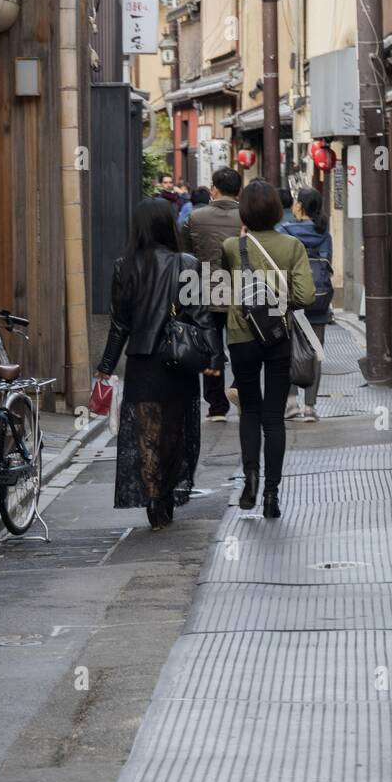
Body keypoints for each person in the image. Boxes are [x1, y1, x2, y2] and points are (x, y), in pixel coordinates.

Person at [95, 198, 220, 530]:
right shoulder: (188, 264)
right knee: (175, 433)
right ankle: (165, 493)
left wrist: (106, 365)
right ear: (168, 226)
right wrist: (213, 357)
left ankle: (153, 497)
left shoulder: (124, 267)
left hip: (141, 362)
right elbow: (202, 316)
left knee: (147, 434)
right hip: (179, 360)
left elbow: (119, 323)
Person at [222, 179, 315, 518]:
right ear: (278, 210)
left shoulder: (234, 247)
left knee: (249, 410)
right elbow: (305, 297)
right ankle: (272, 496)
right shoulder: (292, 246)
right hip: (277, 335)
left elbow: (222, 290)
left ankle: (250, 478)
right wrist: (278, 299)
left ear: (244, 211)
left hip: (241, 336)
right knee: (274, 417)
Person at [181, 166, 244, 421]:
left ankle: (217, 405)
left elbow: (185, 254)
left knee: (211, 347)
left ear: (214, 190)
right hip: (241, 290)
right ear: (238, 191)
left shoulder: (194, 218)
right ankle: (239, 387)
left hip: (205, 290)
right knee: (241, 343)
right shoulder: (247, 217)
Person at [280, 186, 333, 421]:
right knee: (315, 353)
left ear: (299, 205)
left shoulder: (284, 231)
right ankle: (310, 407)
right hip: (318, 302)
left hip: (291, 301)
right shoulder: (324, 234)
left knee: (288, 352)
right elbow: (328, 264)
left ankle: (291, 403)